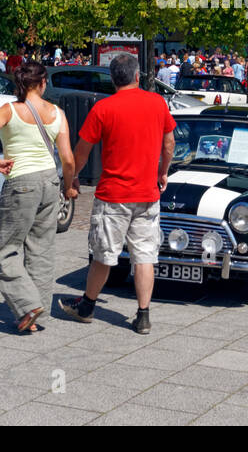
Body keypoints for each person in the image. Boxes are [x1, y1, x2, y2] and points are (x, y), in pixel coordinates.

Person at [61, 53, 175, 335]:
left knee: (104, 254)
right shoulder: (157, 103)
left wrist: (73, 177)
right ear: (137, 76)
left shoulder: (103, 108)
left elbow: (82, 149)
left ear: (113, 79)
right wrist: (163, 171)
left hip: (113, 195)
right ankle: (143, 315)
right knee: (145, 256)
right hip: (147, 194)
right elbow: (169, 141)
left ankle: (87, 306)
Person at [0, 61, 78, 335]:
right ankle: (37, 311)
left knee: (4, 251)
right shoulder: (57, 113)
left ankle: (28, 306)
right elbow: (67, 159)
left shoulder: (9, 110)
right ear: (43, 83)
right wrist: (68, 188)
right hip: (49, 181)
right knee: (41, 249)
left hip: (21, 183)